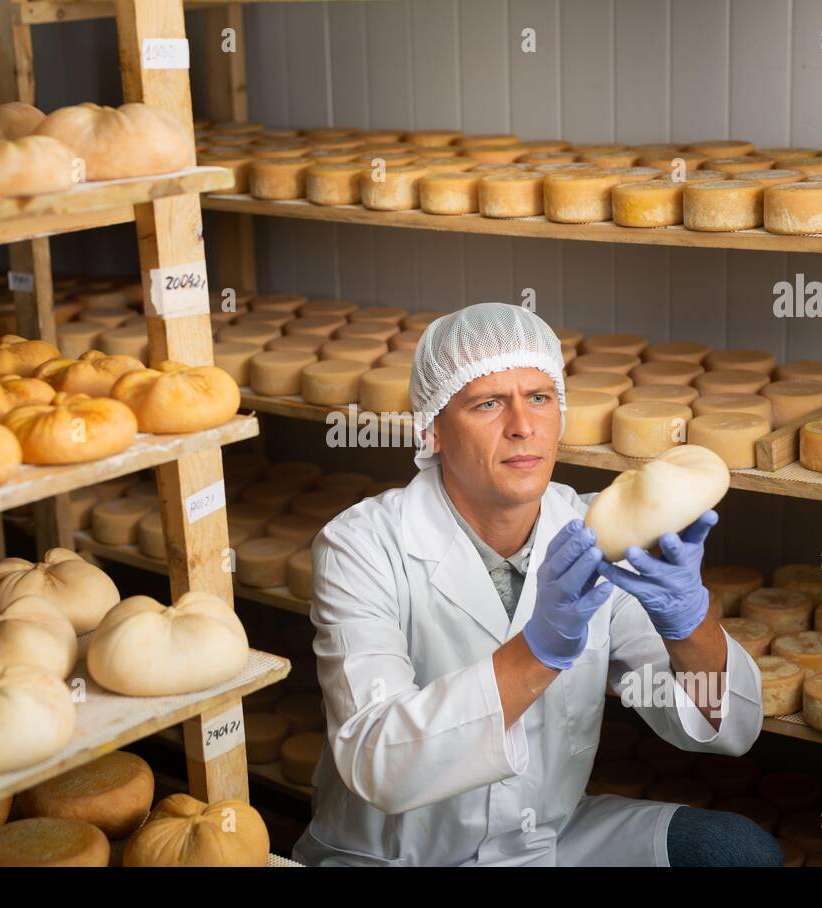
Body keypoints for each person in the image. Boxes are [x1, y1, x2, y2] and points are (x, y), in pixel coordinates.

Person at [291, 303, 782, 867]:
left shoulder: (597, 532)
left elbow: (728, 731)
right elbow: (377, 760)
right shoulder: (363, 545)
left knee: (736, 853)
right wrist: (539, 649)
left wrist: (690, 624)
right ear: (432, 429)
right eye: (489, 403)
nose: (522, 425)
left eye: (541, 398)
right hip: (398, 857)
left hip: (544, 843)